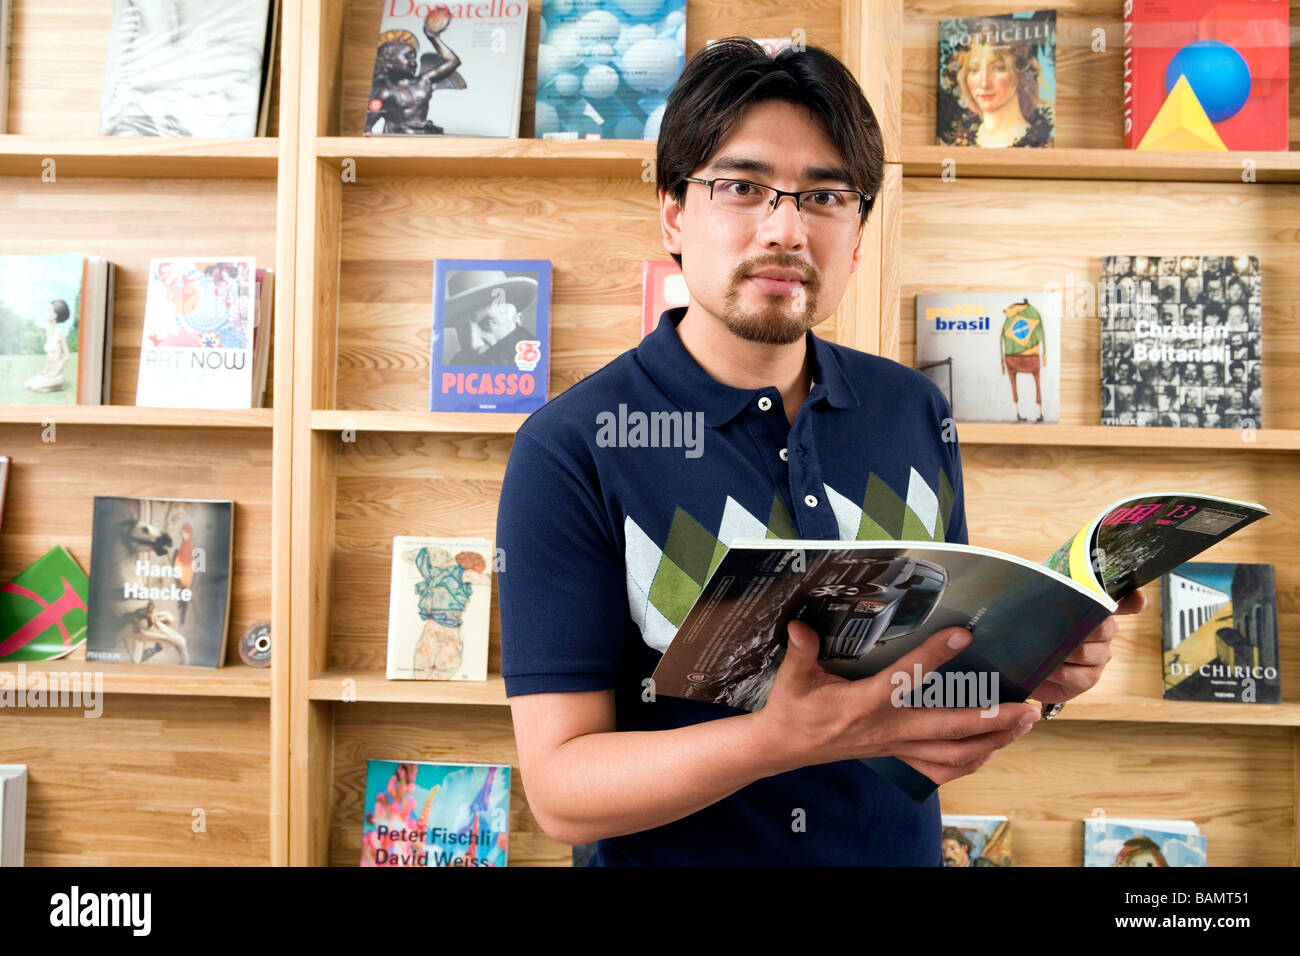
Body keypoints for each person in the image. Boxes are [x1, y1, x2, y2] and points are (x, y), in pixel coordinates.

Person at [496, 39, 1143, 866]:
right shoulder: (569, 446)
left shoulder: (912, 408)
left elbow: (917, 700)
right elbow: (561, 792)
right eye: (741, 187)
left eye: (826, 195)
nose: (785, 228)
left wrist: (1032, 679)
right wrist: (775, 741)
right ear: (674, 215)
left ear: (859, 229)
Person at [24, 299, 72, 393]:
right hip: (48, 372)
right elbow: (49, 356)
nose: (46, 313)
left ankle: (58, 386)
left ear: (55, 315)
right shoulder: (48, 333)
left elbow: (67, 355)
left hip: (56, 374)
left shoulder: (59, 332)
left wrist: (58, 369)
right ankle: (51, 383)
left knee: (36, 388)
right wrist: (45, 370)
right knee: (28, 384)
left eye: (49, 311)